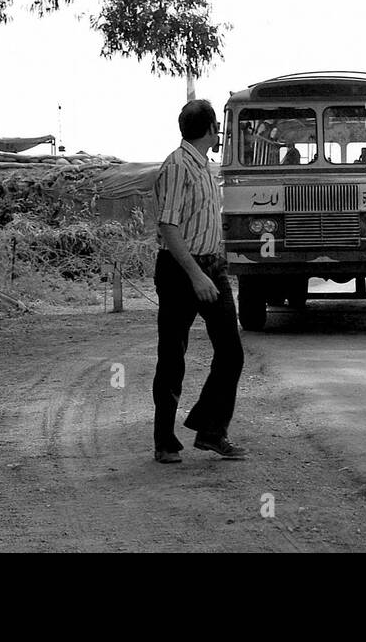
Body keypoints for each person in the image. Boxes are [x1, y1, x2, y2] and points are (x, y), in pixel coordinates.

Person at [151, 99, 247, 463]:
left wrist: (212, 269)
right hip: (181, 271)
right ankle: (164, 442)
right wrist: (195, 275)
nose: (219, 132)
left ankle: (211, 430)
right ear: (210, 129)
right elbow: (168, 226)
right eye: (217, 127)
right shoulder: (177, 166)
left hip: (212, 267)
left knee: (231, 353)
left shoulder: (205, 166)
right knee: (172, 356)